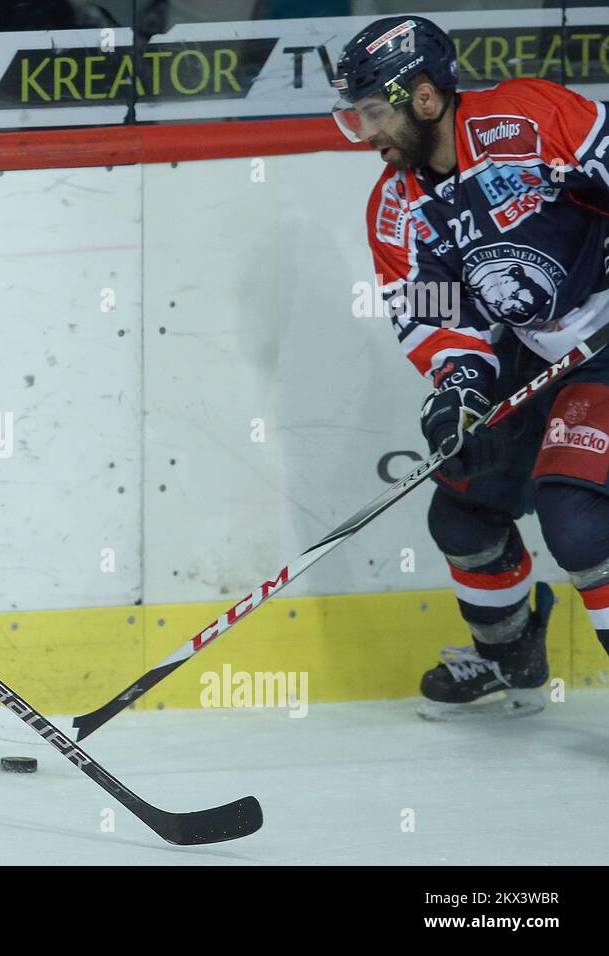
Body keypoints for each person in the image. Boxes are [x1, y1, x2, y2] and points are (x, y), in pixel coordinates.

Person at [333, 15, 609, 717]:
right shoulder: (396, 207)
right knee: (463, 513)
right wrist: (458, 391)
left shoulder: (529, 117)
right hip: (542, 350)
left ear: (424, 97)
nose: (366, 133)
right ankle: (508, 659)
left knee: (576, 522)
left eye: (372, 112)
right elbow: (436, 316)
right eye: (355, 115)